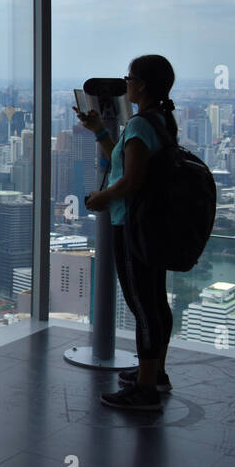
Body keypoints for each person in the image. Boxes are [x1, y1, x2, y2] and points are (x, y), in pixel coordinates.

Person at [74, 54, 178, 412]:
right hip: (154, 224)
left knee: (142, 305)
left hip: (133, 226)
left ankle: (145, 390)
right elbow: (123, 162)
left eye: (129, 78)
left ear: (142, 85)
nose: (126, 83)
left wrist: (99, 198)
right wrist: (99, 130)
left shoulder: (138, 125)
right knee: (155, 302)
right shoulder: (161, 120)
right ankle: (155, 372)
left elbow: (132, 180)